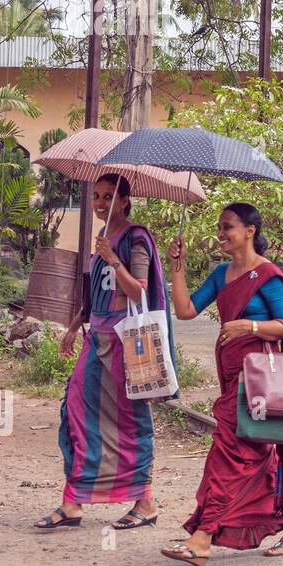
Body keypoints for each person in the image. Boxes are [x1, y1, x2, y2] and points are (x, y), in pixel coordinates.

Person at [160, 203, 283, 566]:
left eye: (227, 226)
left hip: (257, 381)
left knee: (229, 455)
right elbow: (185, 310)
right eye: (220, 227)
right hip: (231, 379)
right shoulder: (221, 274)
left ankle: (202, 537)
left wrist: (250, 327)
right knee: (254, 457)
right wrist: (176, 267)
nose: (221, 233)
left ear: (250, 231)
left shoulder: (268, 276)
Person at [36, 174, 174, 532]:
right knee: (78, 414)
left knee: (129, 420)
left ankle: (144, 501)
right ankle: (74, 500)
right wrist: (71, 329)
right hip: (95, 339)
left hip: (123, 344)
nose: (100, 202)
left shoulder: (135, 238)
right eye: (96, 196)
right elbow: (95, 295)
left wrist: (113, 258)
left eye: (108, 196)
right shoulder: (102, 240)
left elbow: (137, 291)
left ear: (125, 201)